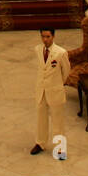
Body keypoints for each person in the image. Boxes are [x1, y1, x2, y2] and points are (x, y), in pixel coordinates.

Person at [31, 28, 70, 156]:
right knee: (40, 118)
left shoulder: (61, 53)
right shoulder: (38, 49)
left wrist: (58, 84)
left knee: (57, 121)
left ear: (53, 36)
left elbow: (66, 72)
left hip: (55, 90)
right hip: (41, 90)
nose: (45, 39)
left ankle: (60, 149)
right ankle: (40, 143)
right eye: (43, 36)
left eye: (48, 36)